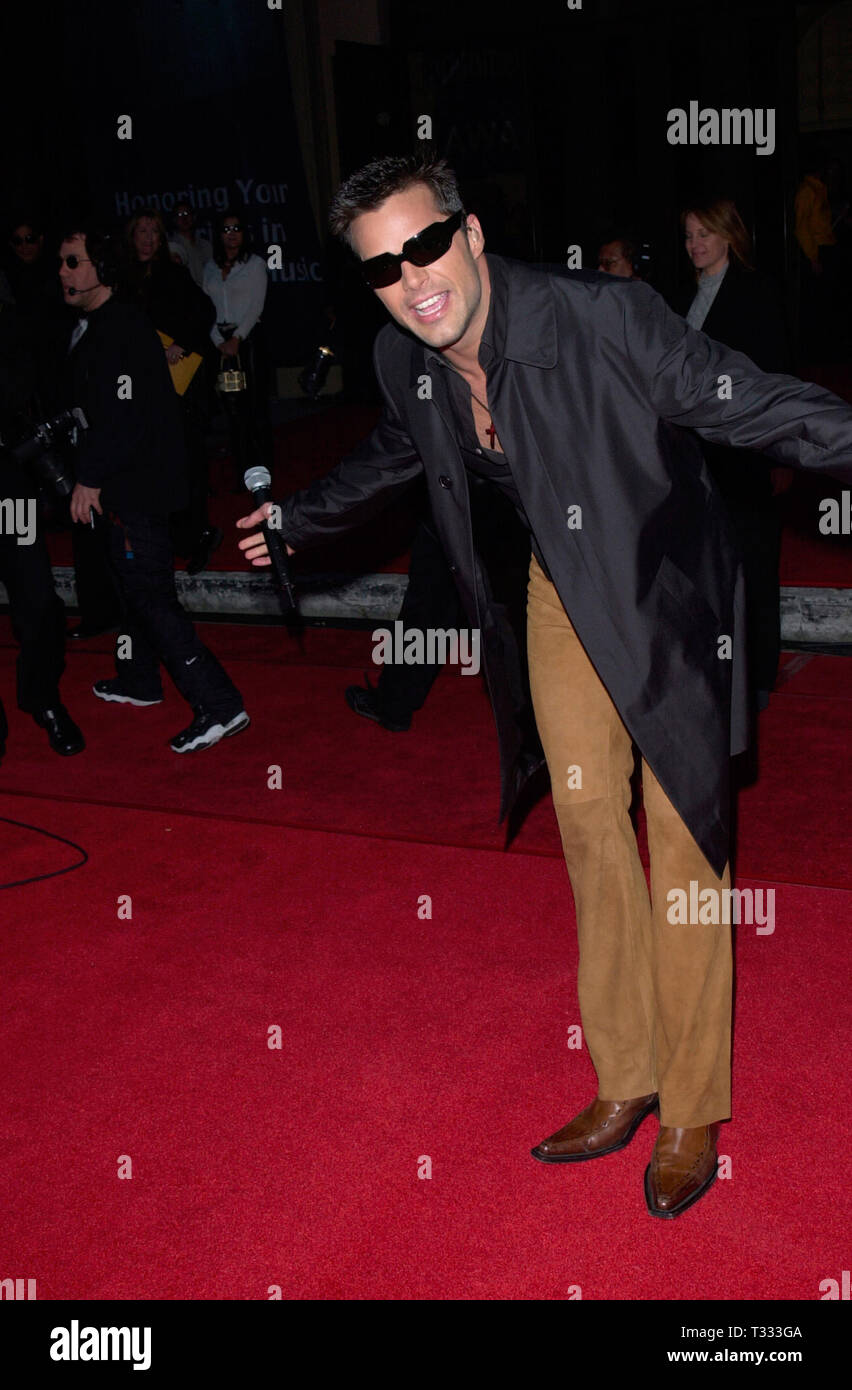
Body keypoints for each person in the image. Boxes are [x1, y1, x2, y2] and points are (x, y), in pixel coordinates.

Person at [237, 153, 852, 1220]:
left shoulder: (603, 317)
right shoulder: (405, 358)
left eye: (426, 245)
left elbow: (748, 401)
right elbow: (389, 456)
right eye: (383, 267)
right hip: (561, 587)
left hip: (666, 589)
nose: (412, 279)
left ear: (470, 233)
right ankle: (626, 1075)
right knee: (584, 816)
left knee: (686, 840)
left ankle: (692, 1105)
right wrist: (296, 518)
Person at [59, 221, 249, 753]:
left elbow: (122, 418)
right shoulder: (105, 322)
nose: (63, 273)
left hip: (133, 486)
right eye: (60, 263)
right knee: (132, 589)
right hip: (131, 481)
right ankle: (140, 678)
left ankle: (219, 703)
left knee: (150, 596)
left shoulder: (119, 326)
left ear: (102, 267)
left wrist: (89, 478)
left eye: (73, 262)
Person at [674, 197, 791, 709]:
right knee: (709, 566)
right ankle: (717, 667)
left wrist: (778, 454)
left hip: (745, 449)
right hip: (697, 453)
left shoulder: (756, 293)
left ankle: (759, 673)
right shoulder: (684, 295)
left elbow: (776, 375)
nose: (694, 244)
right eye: (689, 236)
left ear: (729, 236)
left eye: (704, 234)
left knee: (753, 563)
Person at [0, 298, 84, 757]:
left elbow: (21, 387)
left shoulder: (11, 322)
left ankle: (43, 698)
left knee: (38, 599)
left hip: (9, 489)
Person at [121, 210, 221, 574]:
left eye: (154, 232)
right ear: (131, 237)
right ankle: (165, 538)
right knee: (154, 465)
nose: (148, 238)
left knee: (186, 461)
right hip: (143, 386)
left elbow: (204, 311)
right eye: (141, 231)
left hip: (179, 385)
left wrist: (182, 343)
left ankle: (198, 536)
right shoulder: (124, 280)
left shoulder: (173, 273)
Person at [202, 209, 269, 490]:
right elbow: (205, 307)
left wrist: (237, 338)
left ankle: (261, 469)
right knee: (231, 408)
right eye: (226, 230)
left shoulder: (255, 264)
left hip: (247, 342)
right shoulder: (210, 267)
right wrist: (218, 339)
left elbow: (256, 306)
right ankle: (241, 469)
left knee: (253, 407)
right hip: (219, 341)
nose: (232, 235)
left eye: (236, 229)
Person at [168, 202, 213, 288]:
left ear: (193, 217)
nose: (184, 218)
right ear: (174, 220)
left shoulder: (206, 245)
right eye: (180, 215)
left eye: (186, 213)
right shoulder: (172, 247)